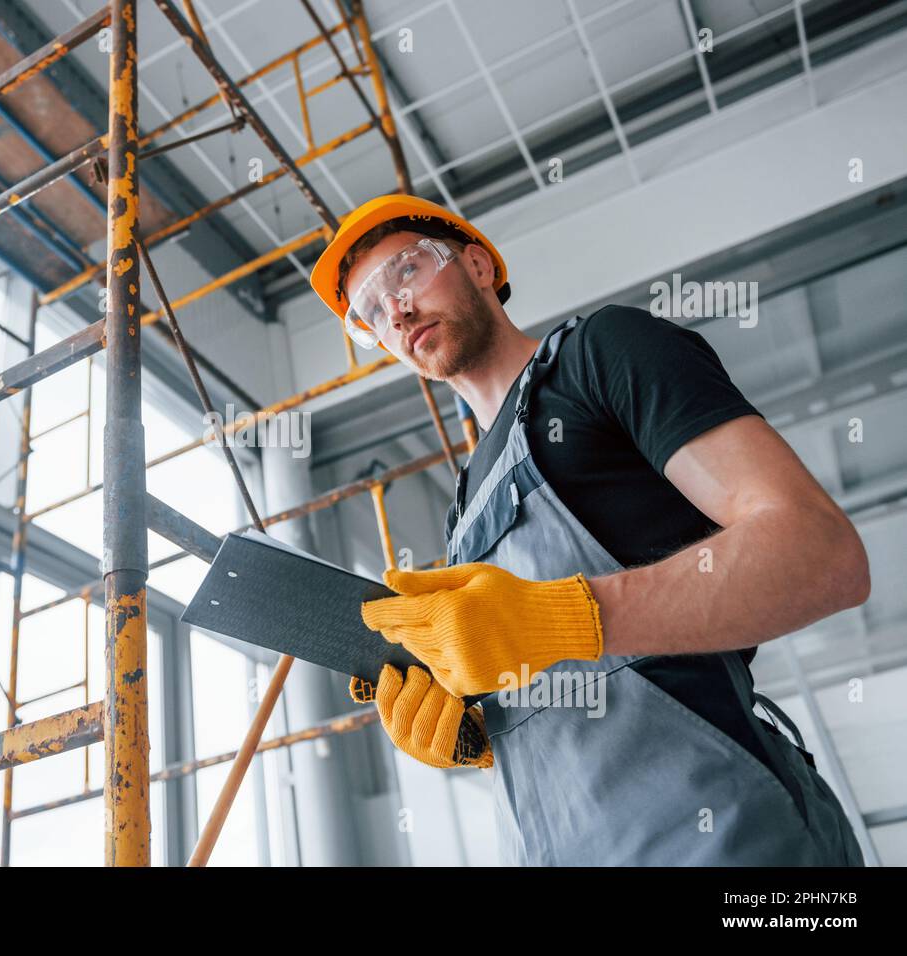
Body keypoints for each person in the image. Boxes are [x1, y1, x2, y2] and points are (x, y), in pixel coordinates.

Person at [307, 193, 870, 865]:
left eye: (406, 271)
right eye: (369, 312)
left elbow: (821, 553)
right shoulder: (460, 519)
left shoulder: (602, 355)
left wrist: (564, 620)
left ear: (480, 266)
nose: (393, 310)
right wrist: (483, 735)